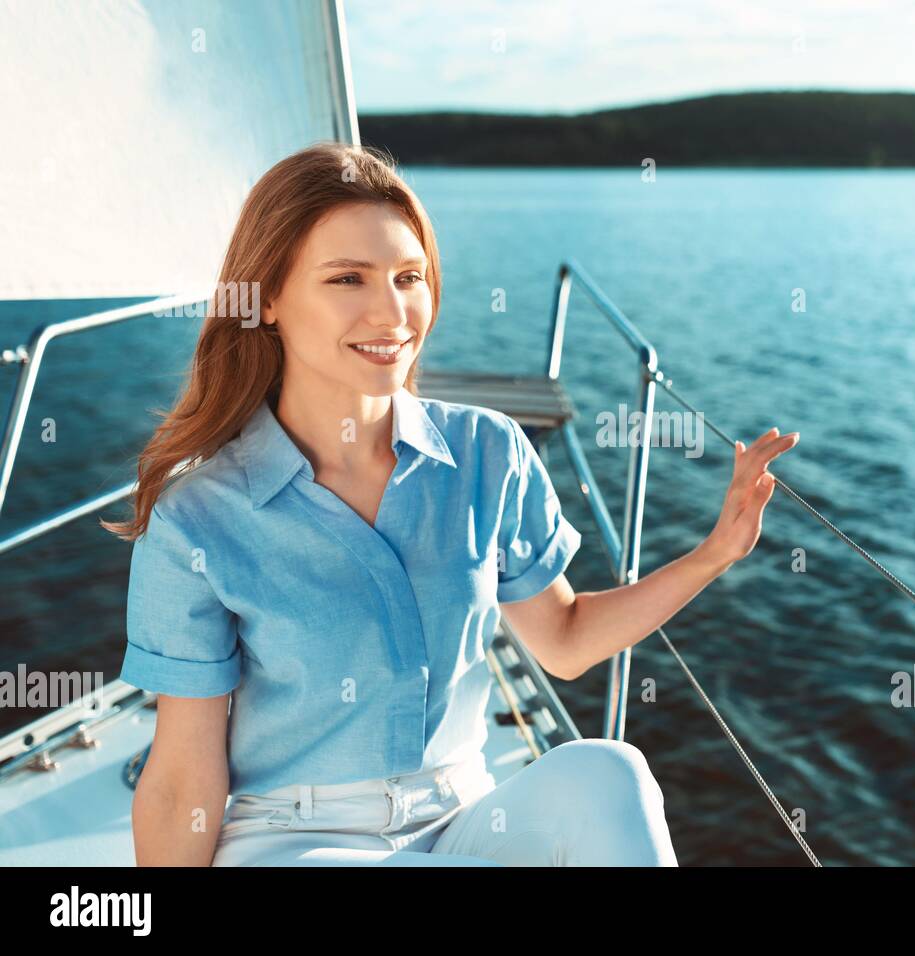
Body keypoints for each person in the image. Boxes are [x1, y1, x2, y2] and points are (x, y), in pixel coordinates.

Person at [104, 142, 799, 866]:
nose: (392, 312)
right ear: (268, 299)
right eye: (348, 278)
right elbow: (183, 772)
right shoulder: (199, 515)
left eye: (410, 277)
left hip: (461, 823)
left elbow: (564, 640)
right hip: (294, 843)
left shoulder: (486, 453)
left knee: (608, 772)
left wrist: (714, 554)